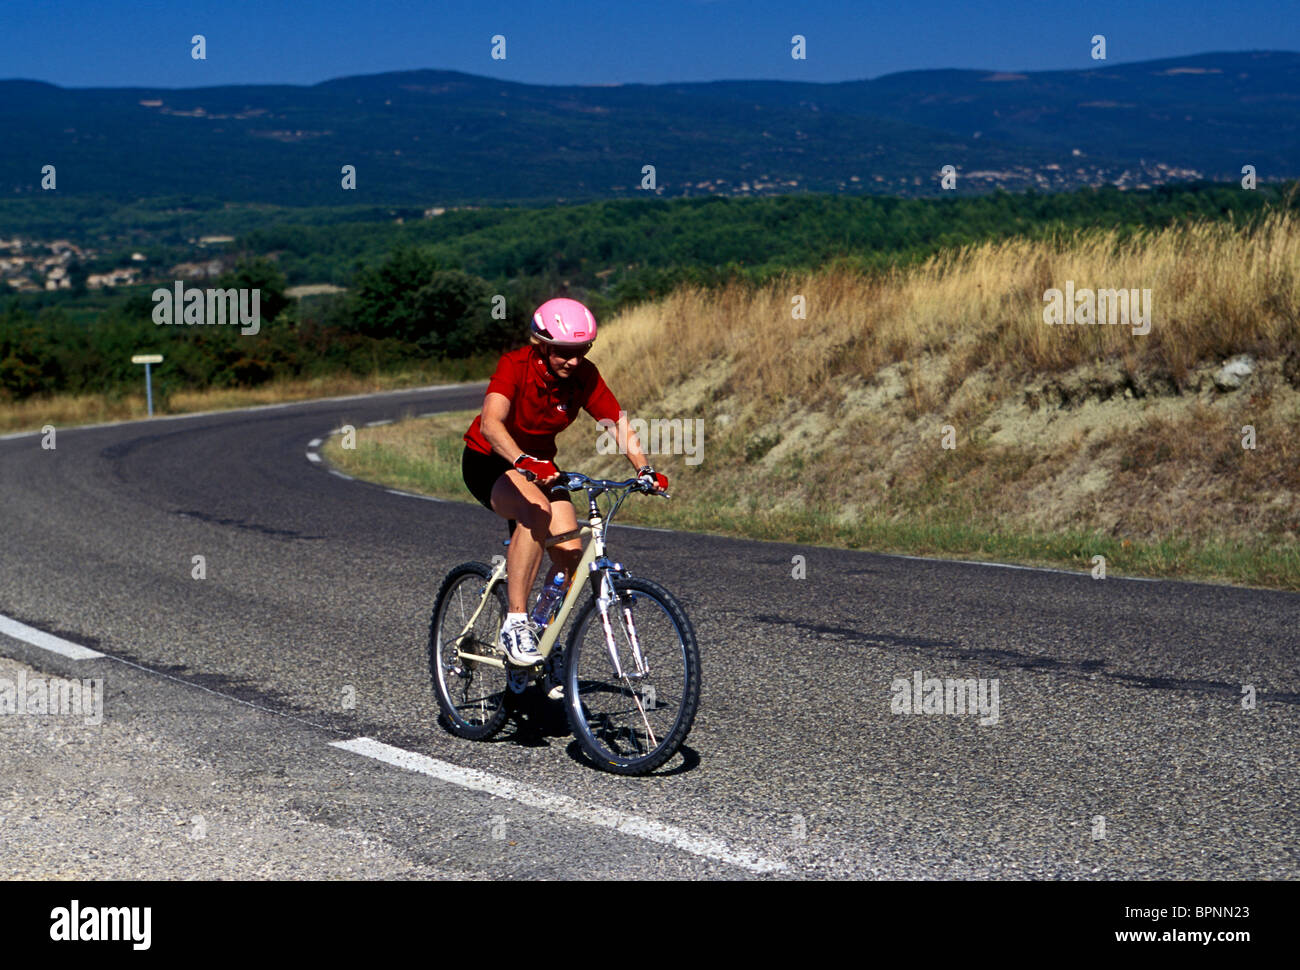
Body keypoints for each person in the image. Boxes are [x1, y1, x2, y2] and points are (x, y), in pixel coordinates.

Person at [461, 297, 668, 667]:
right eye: (564, 352)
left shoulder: (584, 375)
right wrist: (522, 460)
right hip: (489, 460)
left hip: (541, 467)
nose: (573, 360)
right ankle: (516, 622)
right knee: (536, 511)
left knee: (571, 551)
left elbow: (615, 422)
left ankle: (541, 630)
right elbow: (491, 423)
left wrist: (644, 469)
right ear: (542, 345)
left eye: (581, 350)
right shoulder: (514, 365)